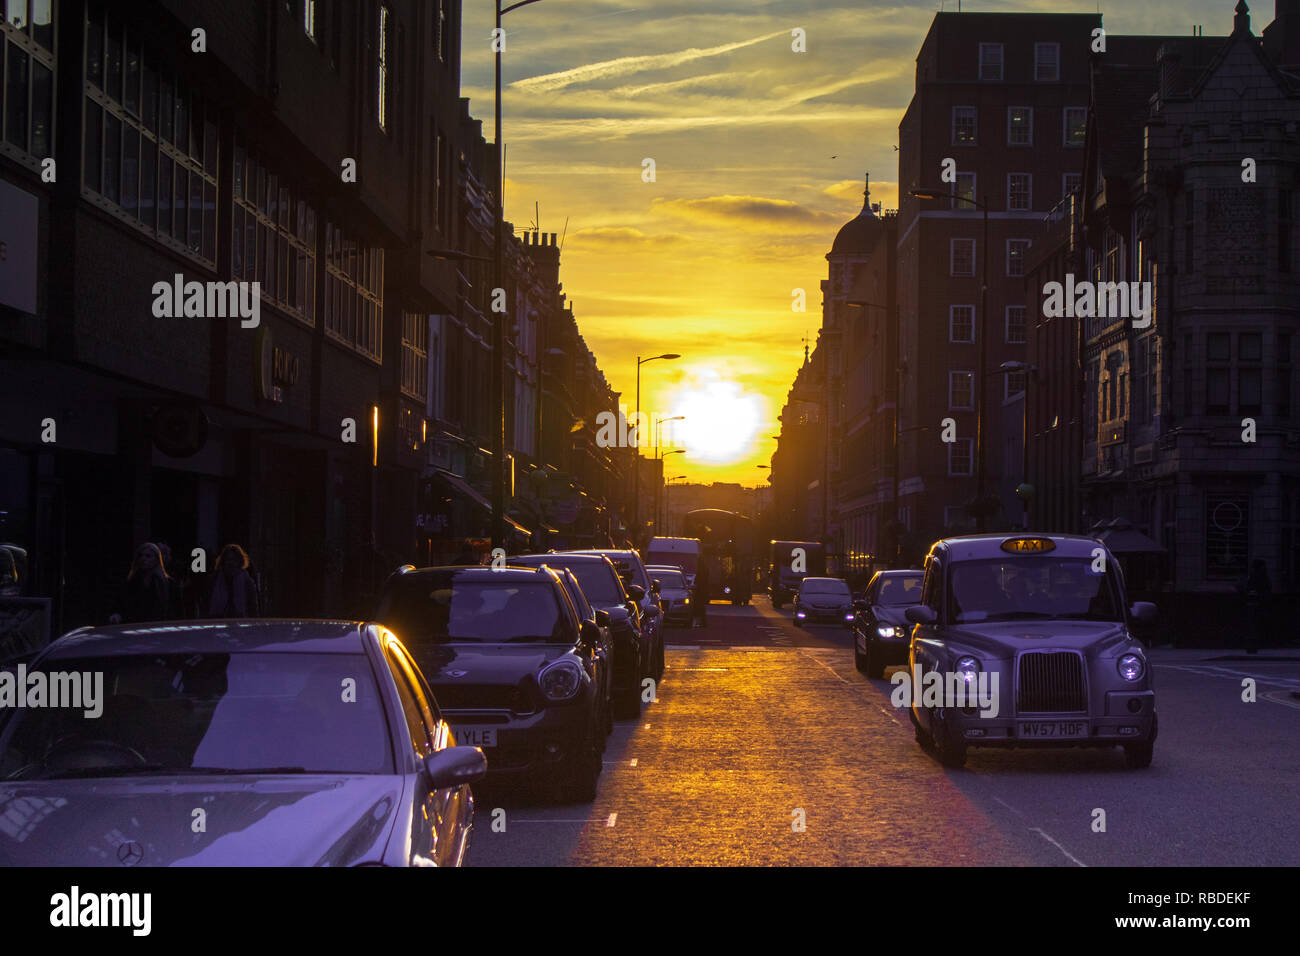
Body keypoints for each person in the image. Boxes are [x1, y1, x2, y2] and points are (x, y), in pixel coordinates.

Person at [110, 542, 172, 624]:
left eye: (148, 556)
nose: (143, 559)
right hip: (134, 626)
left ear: (156, 559)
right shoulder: (130, 582)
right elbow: (121, 605)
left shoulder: (166, 583)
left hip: (157, 627)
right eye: (141, 556)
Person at [208, 543, 260, 618]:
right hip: (218, 622)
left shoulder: (247, 581)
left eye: (234, 560)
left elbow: (253, 607)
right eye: (228, 559)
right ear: (223, 561)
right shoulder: (215, 580)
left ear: (239, 562)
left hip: (241, 623)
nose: (231, 563)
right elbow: (207, 603)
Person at [1240, 559, 1272, 655]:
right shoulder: (1259, 576)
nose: (1265, 568)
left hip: (1256, 603)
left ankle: (1253, 646)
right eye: (1263, 566)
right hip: (1259, 603)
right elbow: (1265, 588)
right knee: (1256, 625)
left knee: (1255, 626)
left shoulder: (1253, 576)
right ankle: (1253, 646)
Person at [692, 558, 710, 628]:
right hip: (702, 592)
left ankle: (701, 623)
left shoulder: (701, 571)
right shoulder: (705, 570)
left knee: (698, 609)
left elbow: (697, 581)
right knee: (701, 609)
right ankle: (703, 623)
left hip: (700, 592)